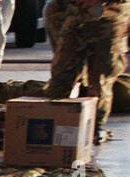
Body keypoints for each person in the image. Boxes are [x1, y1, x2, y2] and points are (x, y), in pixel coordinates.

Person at [47, 0, 130, 143]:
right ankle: (55, 121)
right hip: (74, 12)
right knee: (62, 74)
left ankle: (95, 126)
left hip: (109, 11)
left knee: (101, 76)